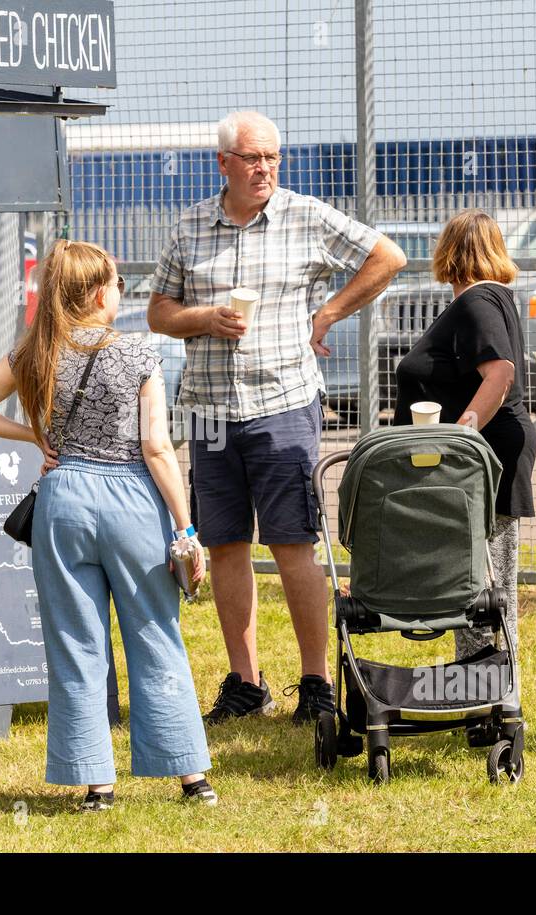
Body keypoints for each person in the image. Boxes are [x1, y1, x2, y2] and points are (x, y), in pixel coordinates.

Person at [148, 110, 407, 725]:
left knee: (294, 542)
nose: (264, 167)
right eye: (251, 158)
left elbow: (387, 257)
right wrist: (204, 318)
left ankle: (315, 680)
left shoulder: (304, 216)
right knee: (225, 543)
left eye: (271, 157)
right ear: (224, 164)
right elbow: (158, 312)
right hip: (209, 411)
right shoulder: (188, 229)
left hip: (283, 404)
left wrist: (329, 314)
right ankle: (246, 682)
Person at [0, 239, 215, 811]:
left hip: (63, 498)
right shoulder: (140, 354)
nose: (122, 292)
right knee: (154, 632)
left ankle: (97, 784)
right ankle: (191, 777)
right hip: (129, 500)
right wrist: (185, 525)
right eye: (119, 283)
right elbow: (156, 446)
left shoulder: (38, 350)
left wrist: (34, 437)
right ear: (99, 293)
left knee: (75, 641)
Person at [392, 210, 536, 673]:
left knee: (485, 582)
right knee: (483, 578)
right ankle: (482, 688)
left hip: (482, 462)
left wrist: (461, 436)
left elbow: (500, 373)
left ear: (449, 251)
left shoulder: (477, 302)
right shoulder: (488, 300)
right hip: (482, 459)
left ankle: (490, 694)